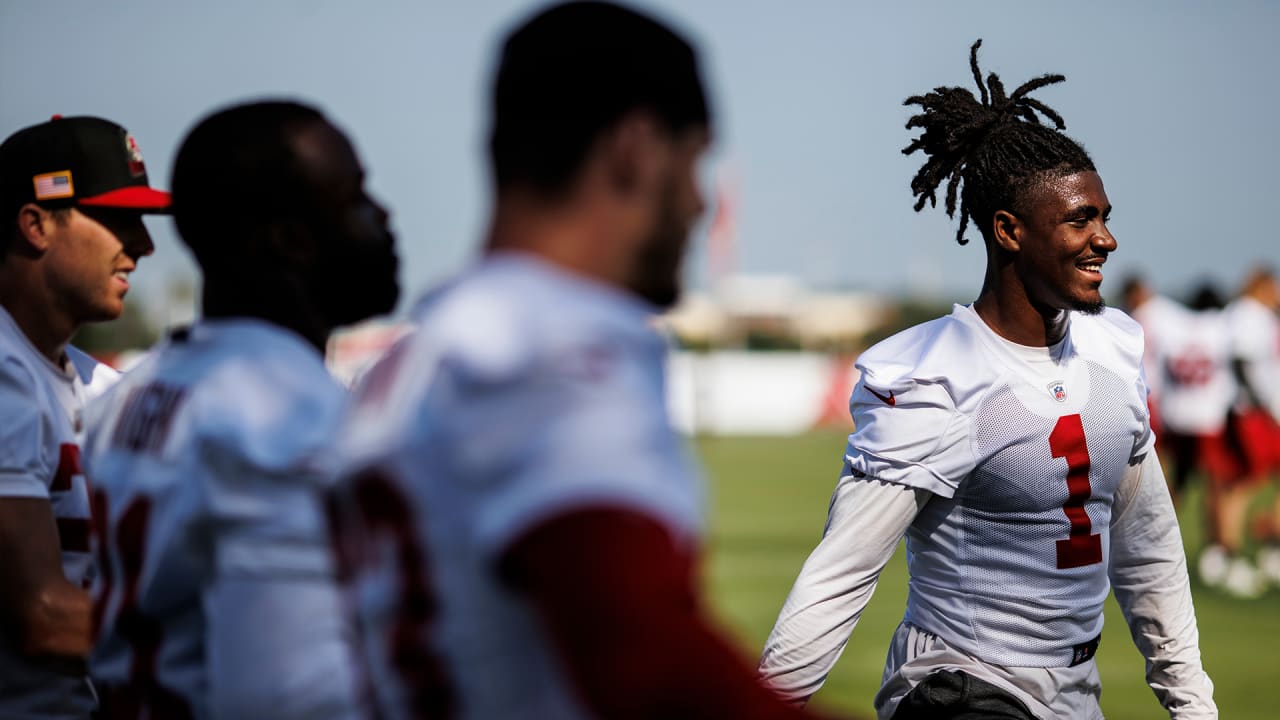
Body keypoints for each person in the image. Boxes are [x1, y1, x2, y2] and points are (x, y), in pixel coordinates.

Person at [326, 3, 832, 719]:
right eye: (694, 163)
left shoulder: (406, 365)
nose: (697, 201)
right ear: (636, 150)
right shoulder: (559, 343)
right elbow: (647, 663)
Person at [758, 41, 1216, 719]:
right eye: (1079, 219)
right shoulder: (936, 378)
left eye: (1105, 216)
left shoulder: (1115, 349)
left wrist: (1193, 706)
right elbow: (841, 576)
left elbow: (1147, 548)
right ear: (1008, 230)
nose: (1106, 239)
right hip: (958, 687)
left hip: (1071, 695)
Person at [82, 101, 398, 718]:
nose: (382, 217)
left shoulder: (129, 397)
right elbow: (291, 701)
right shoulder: (281, 418)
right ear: (290, 240)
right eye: (356, 197)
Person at [0, 115, 167, 718]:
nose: (144, 246)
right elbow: (41, 615)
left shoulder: (107, 388)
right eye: (118, 220)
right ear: (36, 224)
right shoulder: (3, 370)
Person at [1213, 266, 1280, 588]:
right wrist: (1262, 404)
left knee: (1249, 482)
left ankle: (1269, 547)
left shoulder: (1251, 314)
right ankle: (1232, 556)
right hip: (1253, 411)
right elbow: (1242, 361)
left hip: (1256, 409)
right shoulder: (1249, 314)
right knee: (1243, 484)